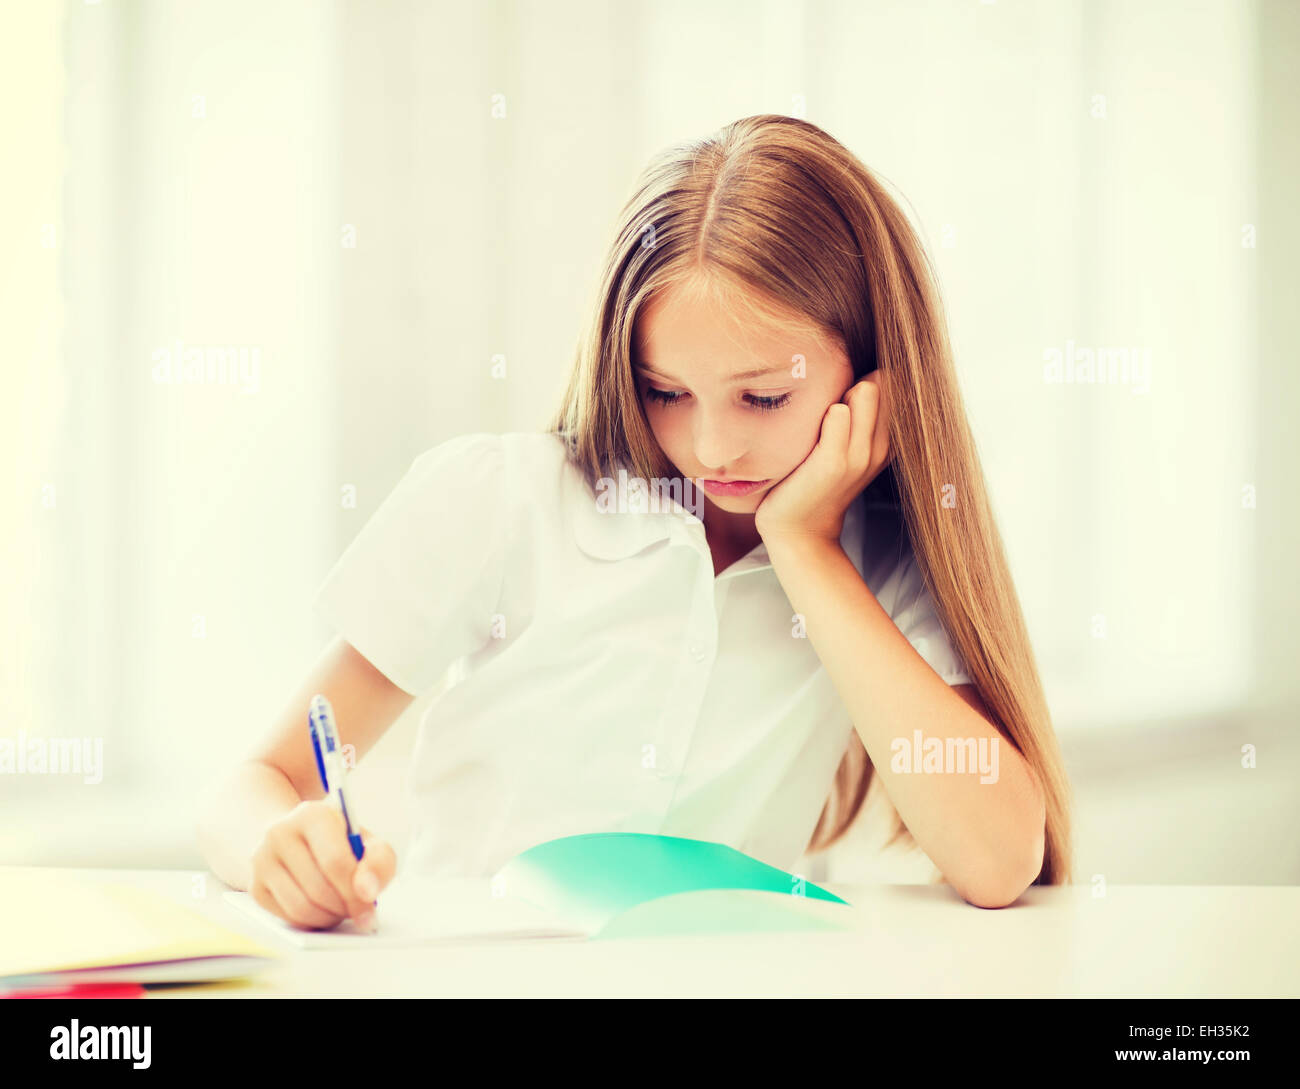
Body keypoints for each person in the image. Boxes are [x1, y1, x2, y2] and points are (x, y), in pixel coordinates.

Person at [195, 115, 1072, 929]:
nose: (712, 446)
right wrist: (277, 850)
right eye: (666, 392)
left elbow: (997, 859)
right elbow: (256, 783)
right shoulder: (506, 501)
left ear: (872, 376)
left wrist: (804, 546)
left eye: (763, 396)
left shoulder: (879, 560)